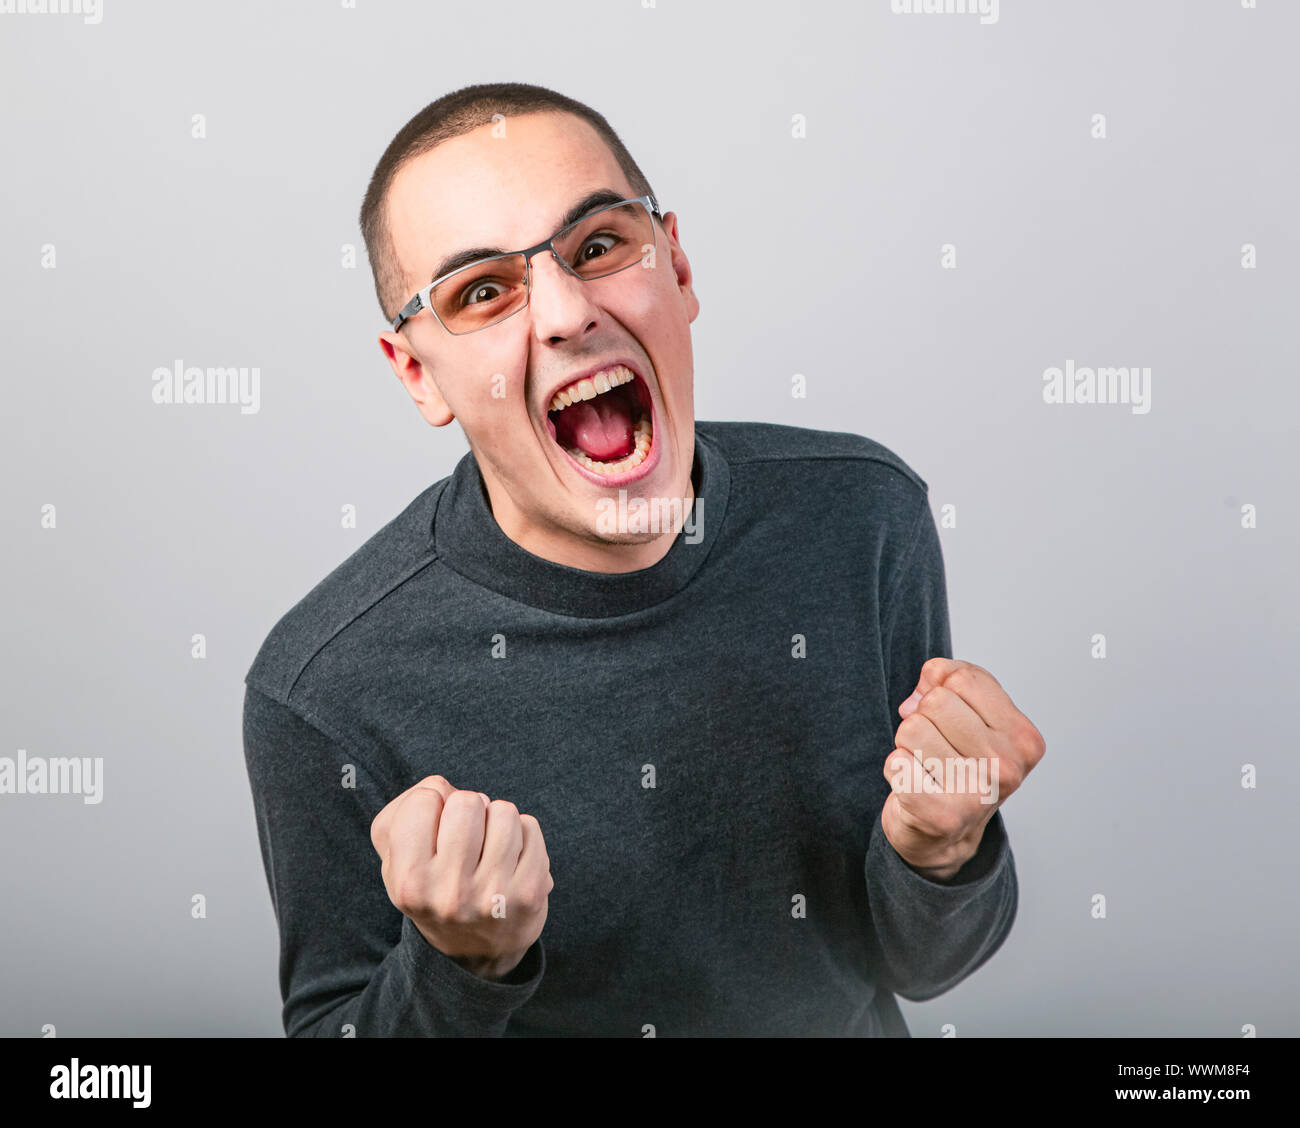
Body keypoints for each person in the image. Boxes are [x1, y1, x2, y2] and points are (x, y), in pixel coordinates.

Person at [241, 81, 1045, 1037]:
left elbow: (923, 966)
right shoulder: (321, 688)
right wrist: (460, 967)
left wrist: (942, 848)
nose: (565, 313)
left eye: (597, 246)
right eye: (483, 291)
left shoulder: (865, 516)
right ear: (419, 374)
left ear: (679, 265)